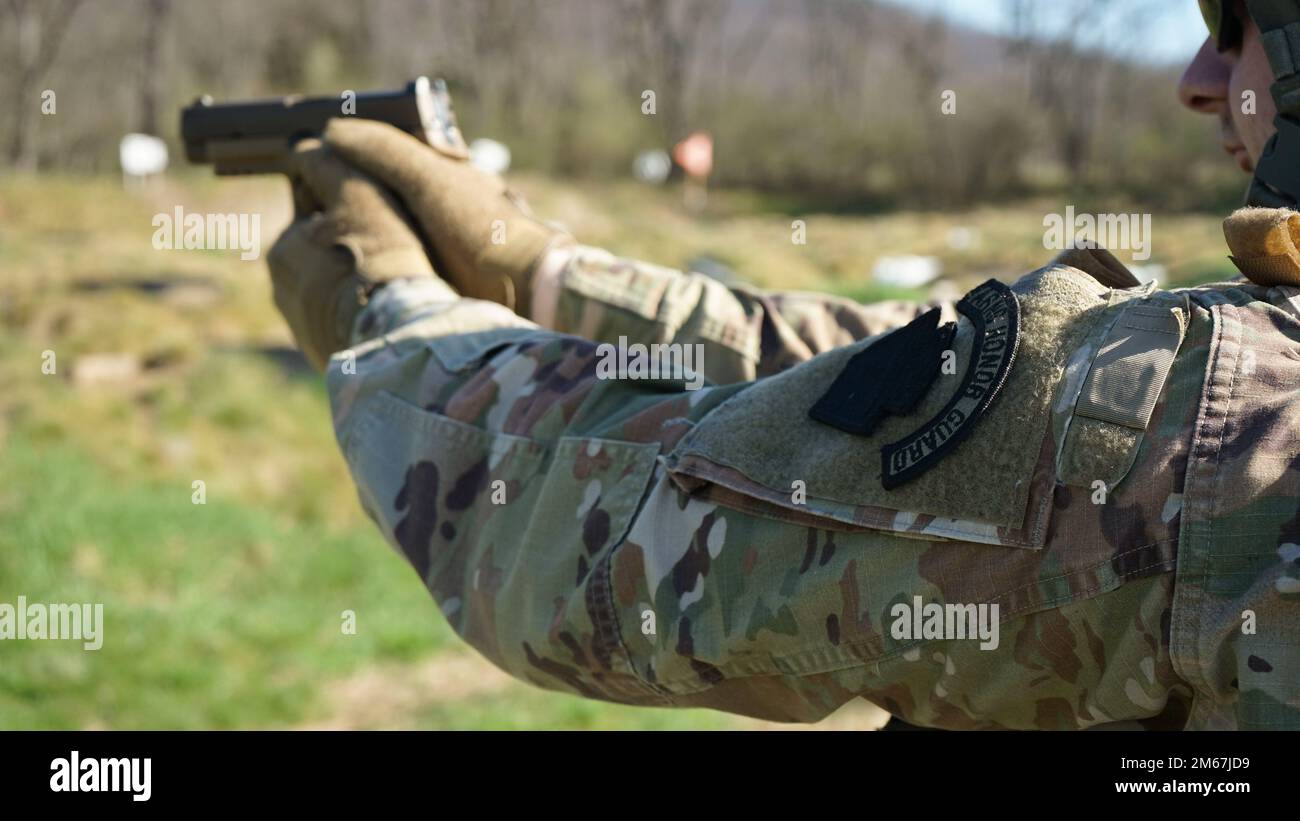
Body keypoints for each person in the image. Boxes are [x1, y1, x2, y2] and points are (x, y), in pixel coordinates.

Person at [263, 0, 1300, 730]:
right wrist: (540, 270)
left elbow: (575, 518)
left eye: (1233, 20)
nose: (1199, 78)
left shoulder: (1224, 416)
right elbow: (900, 383)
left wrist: (378, 308)